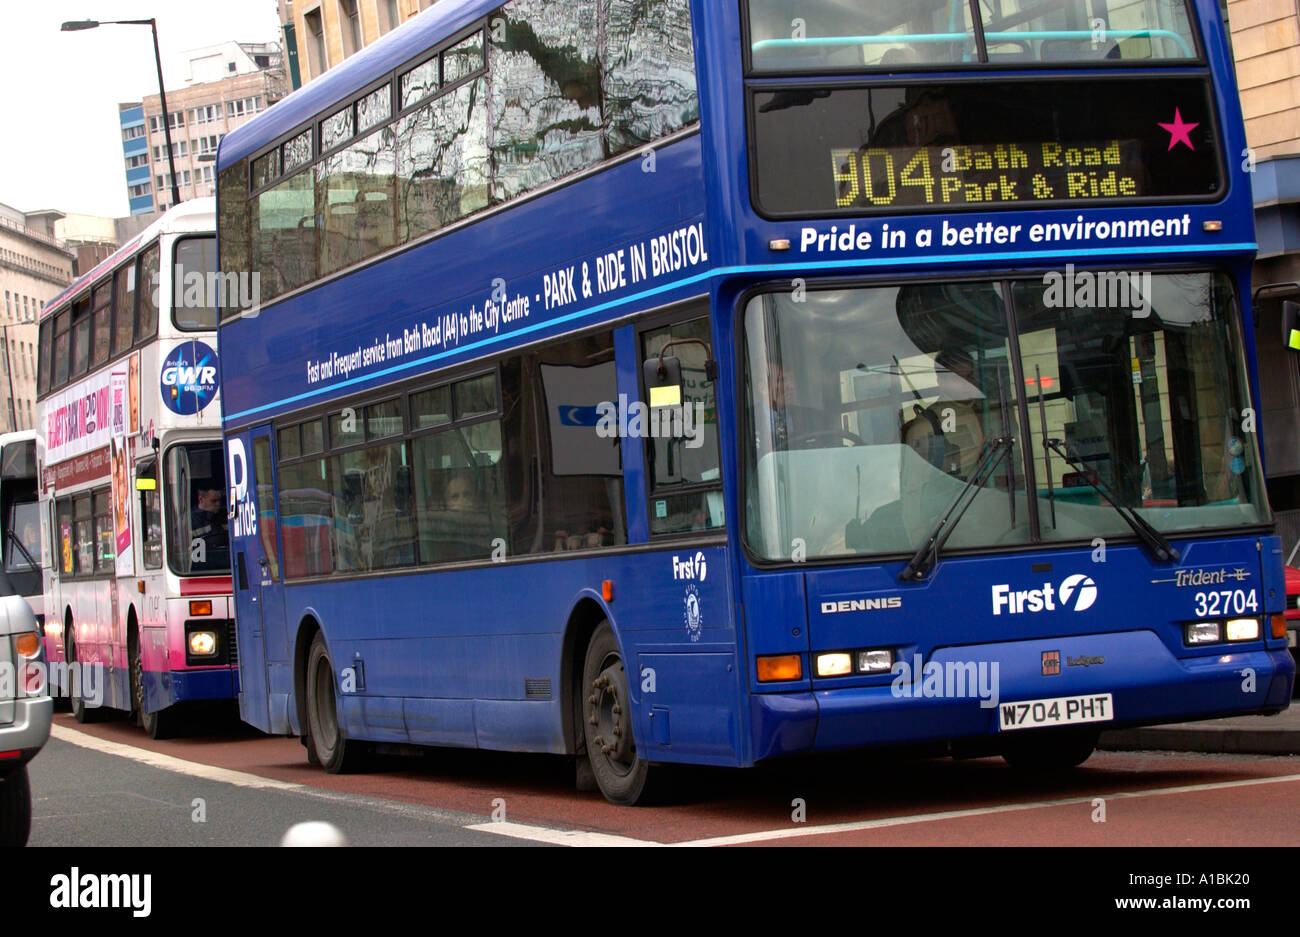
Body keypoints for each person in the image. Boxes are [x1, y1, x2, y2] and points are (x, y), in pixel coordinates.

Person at [190, 488, 228, 569]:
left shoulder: (227, 517)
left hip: (227, 564)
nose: (218, 504)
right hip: (203, 568)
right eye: (214, 501)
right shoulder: (189, 522)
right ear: (201, 499)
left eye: (219, 500)